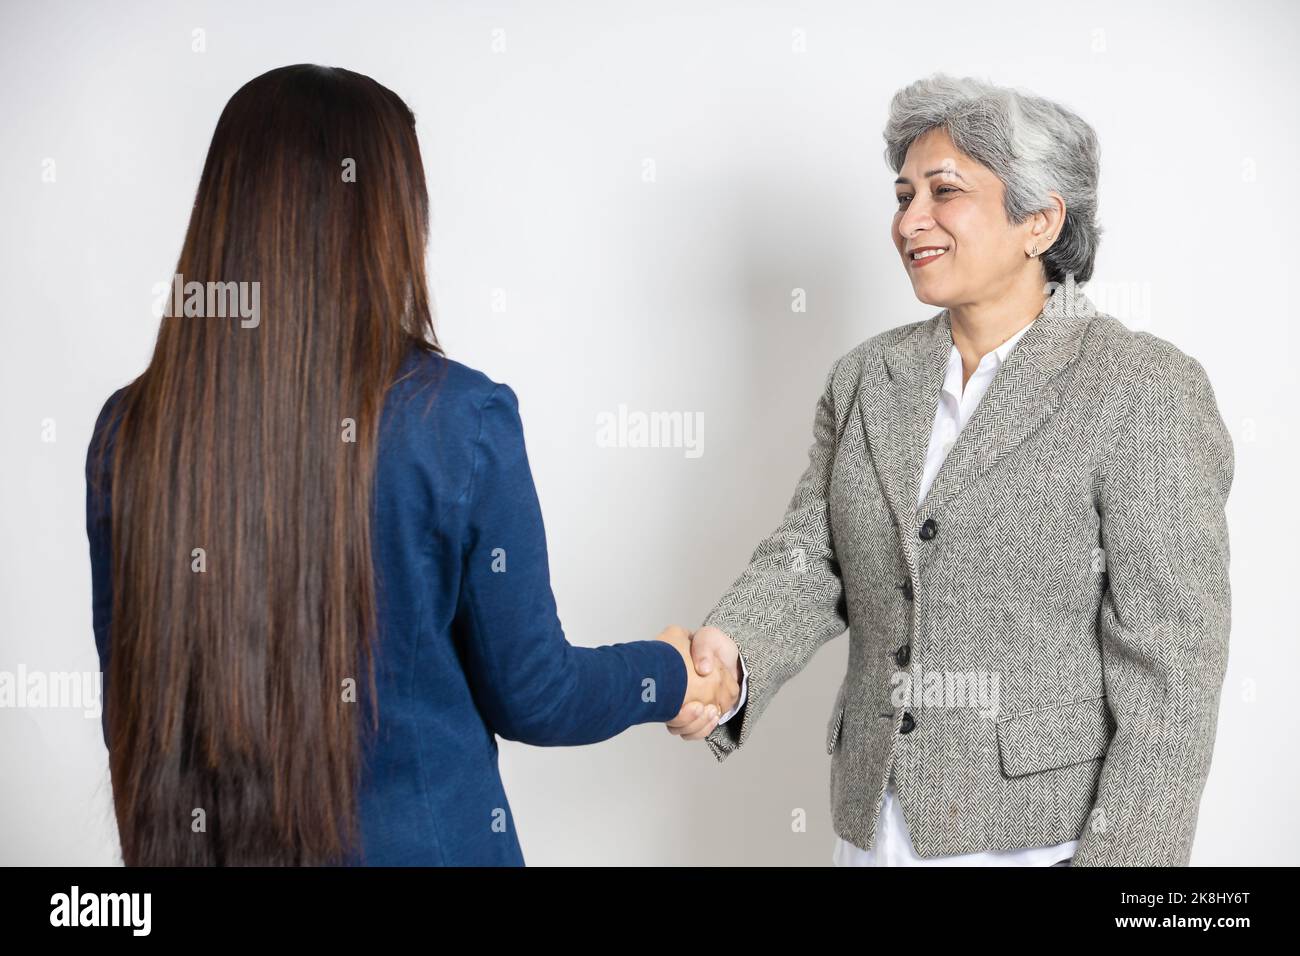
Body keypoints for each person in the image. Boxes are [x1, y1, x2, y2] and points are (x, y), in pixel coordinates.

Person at [85, 64, 734, 867]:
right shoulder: (457, 419)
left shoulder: (133, 431)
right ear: (386, 218)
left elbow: (132, 711)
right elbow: (535, 694)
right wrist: (669, 674)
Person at [669, 73, 1233, 868]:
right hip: (872, 827)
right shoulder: (866, 377)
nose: (910, 221)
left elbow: (1172, 672)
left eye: (944, 191)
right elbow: (813, 558)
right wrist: (728, 655)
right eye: (902, 196)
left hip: (1044, 842)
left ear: (1039, 219)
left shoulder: (1141, 389)